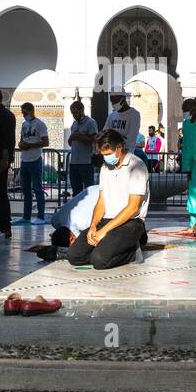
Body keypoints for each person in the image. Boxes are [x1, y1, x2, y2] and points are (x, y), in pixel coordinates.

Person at [67, 129, 149, 270]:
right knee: (74, 256)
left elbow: (133, 207)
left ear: (119, 147)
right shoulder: (105, 168)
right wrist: (93, 225)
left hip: (131, 223)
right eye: (104, 155)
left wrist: (104, 231)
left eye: (109, 154)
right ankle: (105, 250)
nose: (106, 158)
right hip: (107, 220)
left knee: (99, 261)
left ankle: (131, 253)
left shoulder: (137, 166)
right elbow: (101, 201)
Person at [16, 102, 49, 224]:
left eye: (25, 113)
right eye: (22, 113)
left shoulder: (40, 124)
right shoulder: (24, 124)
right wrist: (21, 145)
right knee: (26, 189)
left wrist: (31, 145)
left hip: (35, 160)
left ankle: (40, 216)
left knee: (37, 188)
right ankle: (26, 216)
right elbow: (21, 140)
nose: (24, 115)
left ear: (31, 111)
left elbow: (45, 142)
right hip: (25, 160)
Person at [0, 89, 16, 239]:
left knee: (0, 192)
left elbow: (8, 140)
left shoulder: (6, 116)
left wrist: (5, 159)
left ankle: (5, 225)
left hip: (1, 159)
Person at [48, 184, 99, 249]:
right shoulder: (55, 220)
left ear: (71, 238)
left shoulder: (83, 223)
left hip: (105, 193)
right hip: (92, 189)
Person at [67, 100, 98, 195]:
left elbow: (94, 140)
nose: (74, 115)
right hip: (74, 162)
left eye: (75, 112)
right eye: (72, 113)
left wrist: (80, 137)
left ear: (82, 110)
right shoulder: (74, 124)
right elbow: (70, 142)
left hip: (86, 162)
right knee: (76, 191)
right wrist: (72, 137)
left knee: (89, 190)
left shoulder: (90, 122)